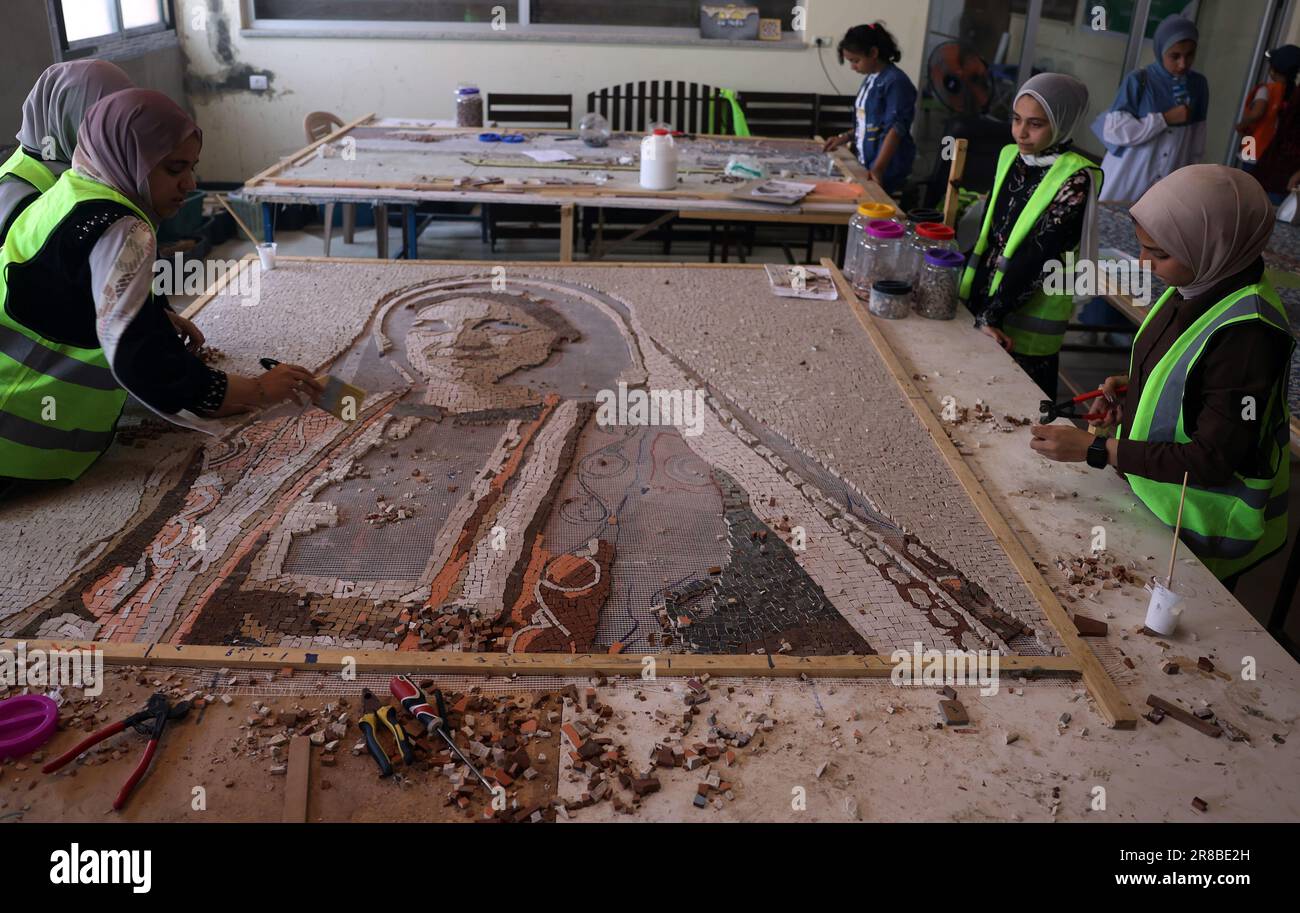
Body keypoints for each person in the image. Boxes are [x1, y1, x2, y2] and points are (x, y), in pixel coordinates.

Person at [0, 89, 321, 487]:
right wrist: (255, 390)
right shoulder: (124, 229)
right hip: (24, 442)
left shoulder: (66, 192)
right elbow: (145, 360)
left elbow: (62, 286)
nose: (190, 183)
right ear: (128, 158)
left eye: (192, 167)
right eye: (173, 169)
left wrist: (152, 310)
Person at [1029, 166, 1292, 584]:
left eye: (1160, 253)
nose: (1143, 263)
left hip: (1199, 531)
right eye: (1144, 247)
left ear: (1213, 245)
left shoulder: (1251, 334)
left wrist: (1097, 449)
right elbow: (1195, 374)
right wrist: (1139, 389)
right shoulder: (1201, 282)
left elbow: (1213, 458)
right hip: (1149, 499)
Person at [957, 73, 1101, 401]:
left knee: (1016, 412)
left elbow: (1040, 255)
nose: (1021, 132)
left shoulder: (1076, 177)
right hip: (980, 301)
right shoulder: (1010, 156)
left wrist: (991, 315)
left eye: (1035, 124)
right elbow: (993, 233)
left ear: (1063, 123)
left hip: (1026, 324)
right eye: (1016, 119)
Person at [0, 60, 134, 242]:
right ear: (67, 119)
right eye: (105, 123)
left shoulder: (54, 157)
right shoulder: (18, 203)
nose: (119, 137)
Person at [1097, 15, 1208, 204]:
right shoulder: (1140, 80)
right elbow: (1113, 131)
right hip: (1128, 176)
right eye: (1175, 56)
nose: (1183, 63)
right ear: (1160, 50)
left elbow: (1196, 141)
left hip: (1168, 182)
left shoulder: (1198, 85)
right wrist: (1164, 118)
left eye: (1190, 55)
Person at [821, 22, 917, 195]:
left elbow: (895, 129)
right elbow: (867, 122)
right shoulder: (871, 78)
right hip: (869, 163)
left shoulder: (896, 82)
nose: (853, 67)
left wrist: (878, 168)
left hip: (887, 167)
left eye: (856, 61)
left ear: (873, 53)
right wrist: (844, 138)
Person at [1236, 45, 1300, 170]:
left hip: (1254, 148)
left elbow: (1256, 113)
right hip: (1276, 154)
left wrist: (1242, 124)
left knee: (1246, 183)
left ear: (1272, 70)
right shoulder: (1294, 95)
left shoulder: (1266, 90)